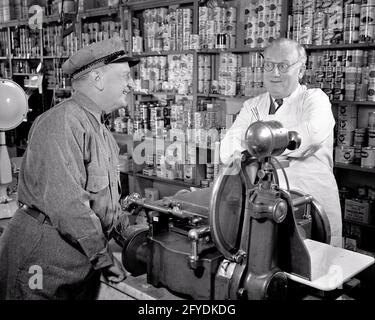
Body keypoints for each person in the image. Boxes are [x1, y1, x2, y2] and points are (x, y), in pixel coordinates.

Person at [0, 36, 139, 299]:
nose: (131, 84)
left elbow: (102, 203)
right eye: (124, 76)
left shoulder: (101, 131)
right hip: (40, 260)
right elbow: (68, 206)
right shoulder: (62, 122)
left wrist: (126, 233)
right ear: (98, 79)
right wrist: (104, 258)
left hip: (77, 265)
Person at [220, 38, 342, 247]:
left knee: (314, 269)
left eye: (283, 66)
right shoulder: (252, 106)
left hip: (311, 204)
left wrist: (255, 146)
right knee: (268, 267)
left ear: (301, 70)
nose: (274, 73)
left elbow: (307, 139)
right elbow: (228, 149)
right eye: (269, 65)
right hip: (266, 205)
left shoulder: (314, 99)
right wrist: (263, 147)